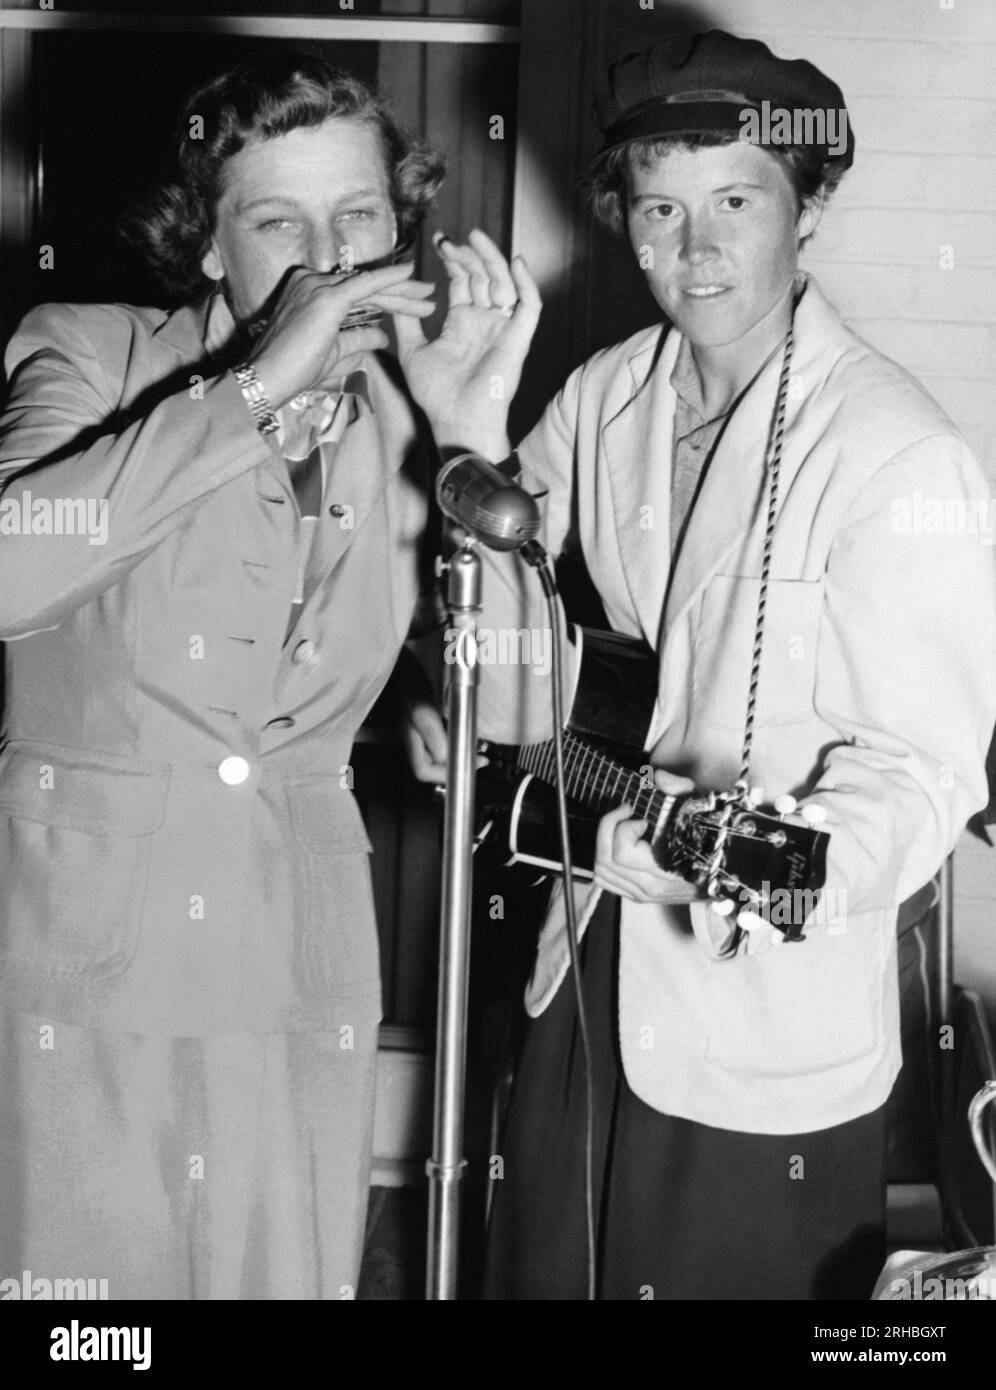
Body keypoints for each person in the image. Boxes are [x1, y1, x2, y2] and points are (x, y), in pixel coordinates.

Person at [409, 30, 996, 1299]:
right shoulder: (606, 396)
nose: (698, 249)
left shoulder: (898, 454)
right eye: (662, 210)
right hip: (585, 961)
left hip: (762, 995)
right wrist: (465, 424)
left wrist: (746, 859)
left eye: (738, 202)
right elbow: (512, 667)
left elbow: (920, 772)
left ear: (809, 207)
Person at [0, 51, 538, 1300]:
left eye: (360, 217)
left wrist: (473, 434)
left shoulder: (417, 418)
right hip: (85, 957)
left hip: (296, 955)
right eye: (279, 223)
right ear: (205, 246)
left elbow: (518, 710)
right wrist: (249, 394)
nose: (334, 260)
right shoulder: (90, 355)